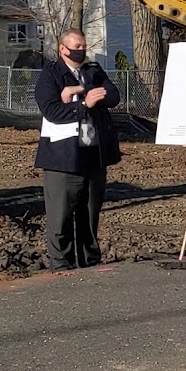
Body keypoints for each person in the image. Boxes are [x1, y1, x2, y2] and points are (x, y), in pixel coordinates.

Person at [34, 28, 123, 271]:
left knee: (90, 215)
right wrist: (86, 104)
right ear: (62, 49)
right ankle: (61, 265)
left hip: (94, 155)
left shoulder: (92, 71)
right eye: (75, 48)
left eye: (83, 47)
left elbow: (113, 95)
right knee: (60, 217)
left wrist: (77, 92)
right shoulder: (50, 75)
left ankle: (89, 261)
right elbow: (52, 111)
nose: (80, 52)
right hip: (63, 159)